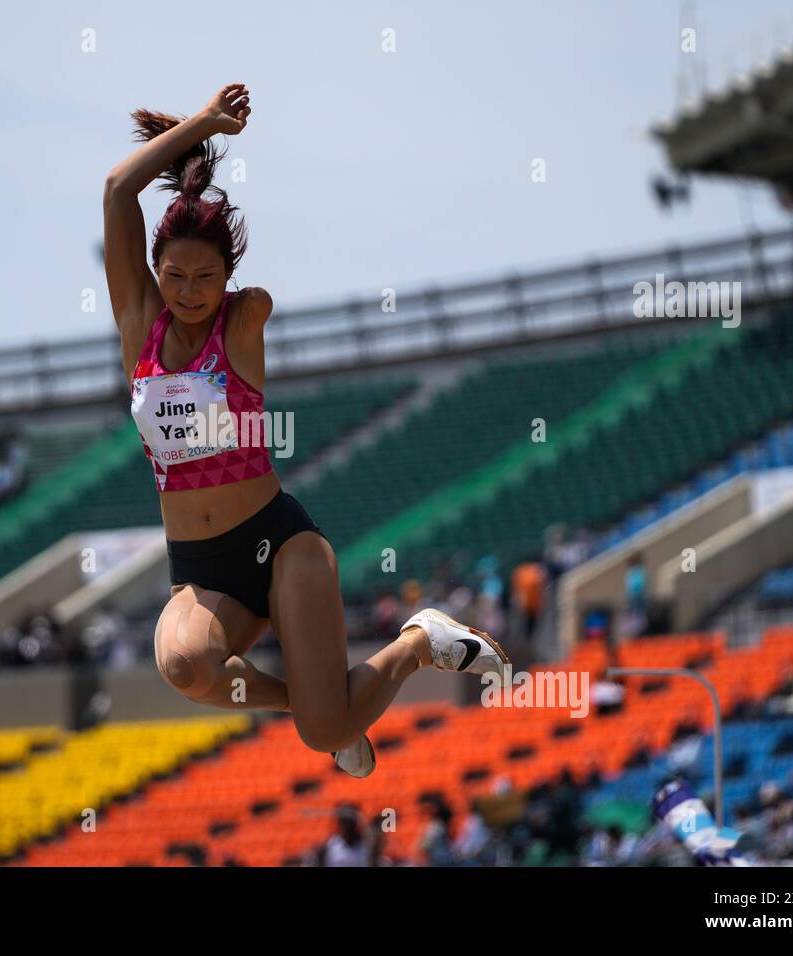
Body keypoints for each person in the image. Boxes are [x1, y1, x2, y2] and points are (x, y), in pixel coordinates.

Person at [104, 84, 510, 779]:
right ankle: (308, 702)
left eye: (206, 276)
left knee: (327, 733)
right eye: (174, 275)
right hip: (202, 571)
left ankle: (417, 643)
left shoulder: (241, 321)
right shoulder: (141, 323)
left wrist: (230, 289)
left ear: (228, 275)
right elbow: (118, 191)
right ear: (155, 273)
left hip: (278, 543)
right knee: (185, 666)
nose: (189, 290)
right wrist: (203, 124)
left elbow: (249, 301)